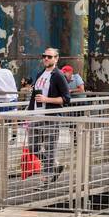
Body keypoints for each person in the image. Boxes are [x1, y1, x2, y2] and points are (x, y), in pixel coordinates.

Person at [28, 48, 70, 179]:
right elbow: (34, 96)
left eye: (49, 57)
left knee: (50, 149)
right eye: (44, 56)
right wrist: (28, 113)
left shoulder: (58, 75)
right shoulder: (40, 73)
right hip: (36, 116)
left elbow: (66, 98)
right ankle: (54, 166)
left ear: (56, 58)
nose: (46, 58)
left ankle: (46, 180)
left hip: (50, 116)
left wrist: (46, 100)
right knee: (33, 148)